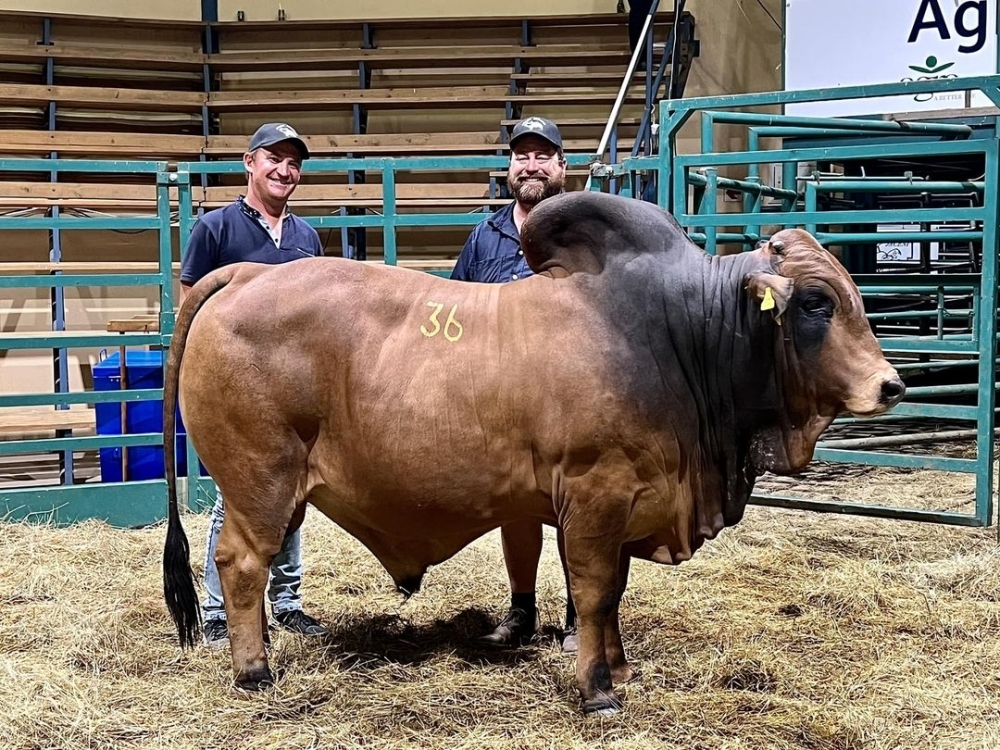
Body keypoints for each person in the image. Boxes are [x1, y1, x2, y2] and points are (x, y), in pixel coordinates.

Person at [179, 122, 328, 648]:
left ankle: (286, 602)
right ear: (249, 162)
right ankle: (219, 610)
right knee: (239, 498)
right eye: (274, 159)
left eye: (293, 163)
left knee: (291, 498)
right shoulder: (215, 229)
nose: (284, 171)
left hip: (294, 391)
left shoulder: (307, 238)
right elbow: (190, 304)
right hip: (240, 390)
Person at [451, 115, 578, 653]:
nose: (531, 166)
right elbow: (457, 303)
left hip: (569, 397)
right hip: (502, 398)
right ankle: (522, 609)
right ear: (509, 166)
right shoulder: (486, 235)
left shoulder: (582, 231)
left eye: (542, 156)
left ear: (562, 166)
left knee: (577, 503)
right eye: (521, 156)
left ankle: (579, 615)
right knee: (518, 503)